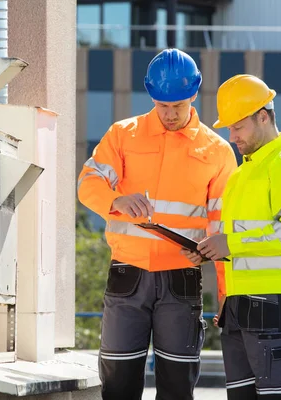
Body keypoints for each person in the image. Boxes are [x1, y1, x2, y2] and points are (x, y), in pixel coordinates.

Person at [77, 48, 237, 400]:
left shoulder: (218, 151)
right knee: (118, 384)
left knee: (178, 387)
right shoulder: (123, 135)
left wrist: (225, 292)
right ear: (151, 96)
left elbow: (223, 228)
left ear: (194, 94)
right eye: (162, 105)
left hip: (181, 279)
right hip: (127, 274)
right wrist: (115, 200)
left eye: (178, 105)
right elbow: (88, 183)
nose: (169, 114)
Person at [183, 74, 281, 400]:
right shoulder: (241, 173)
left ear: (264, 116)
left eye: (238, 127)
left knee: (278, 396)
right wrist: (212, 251)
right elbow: (243, 240)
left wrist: (229, 243)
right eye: (229, 129)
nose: (232, 137)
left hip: (277, 303)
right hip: (239, 307)